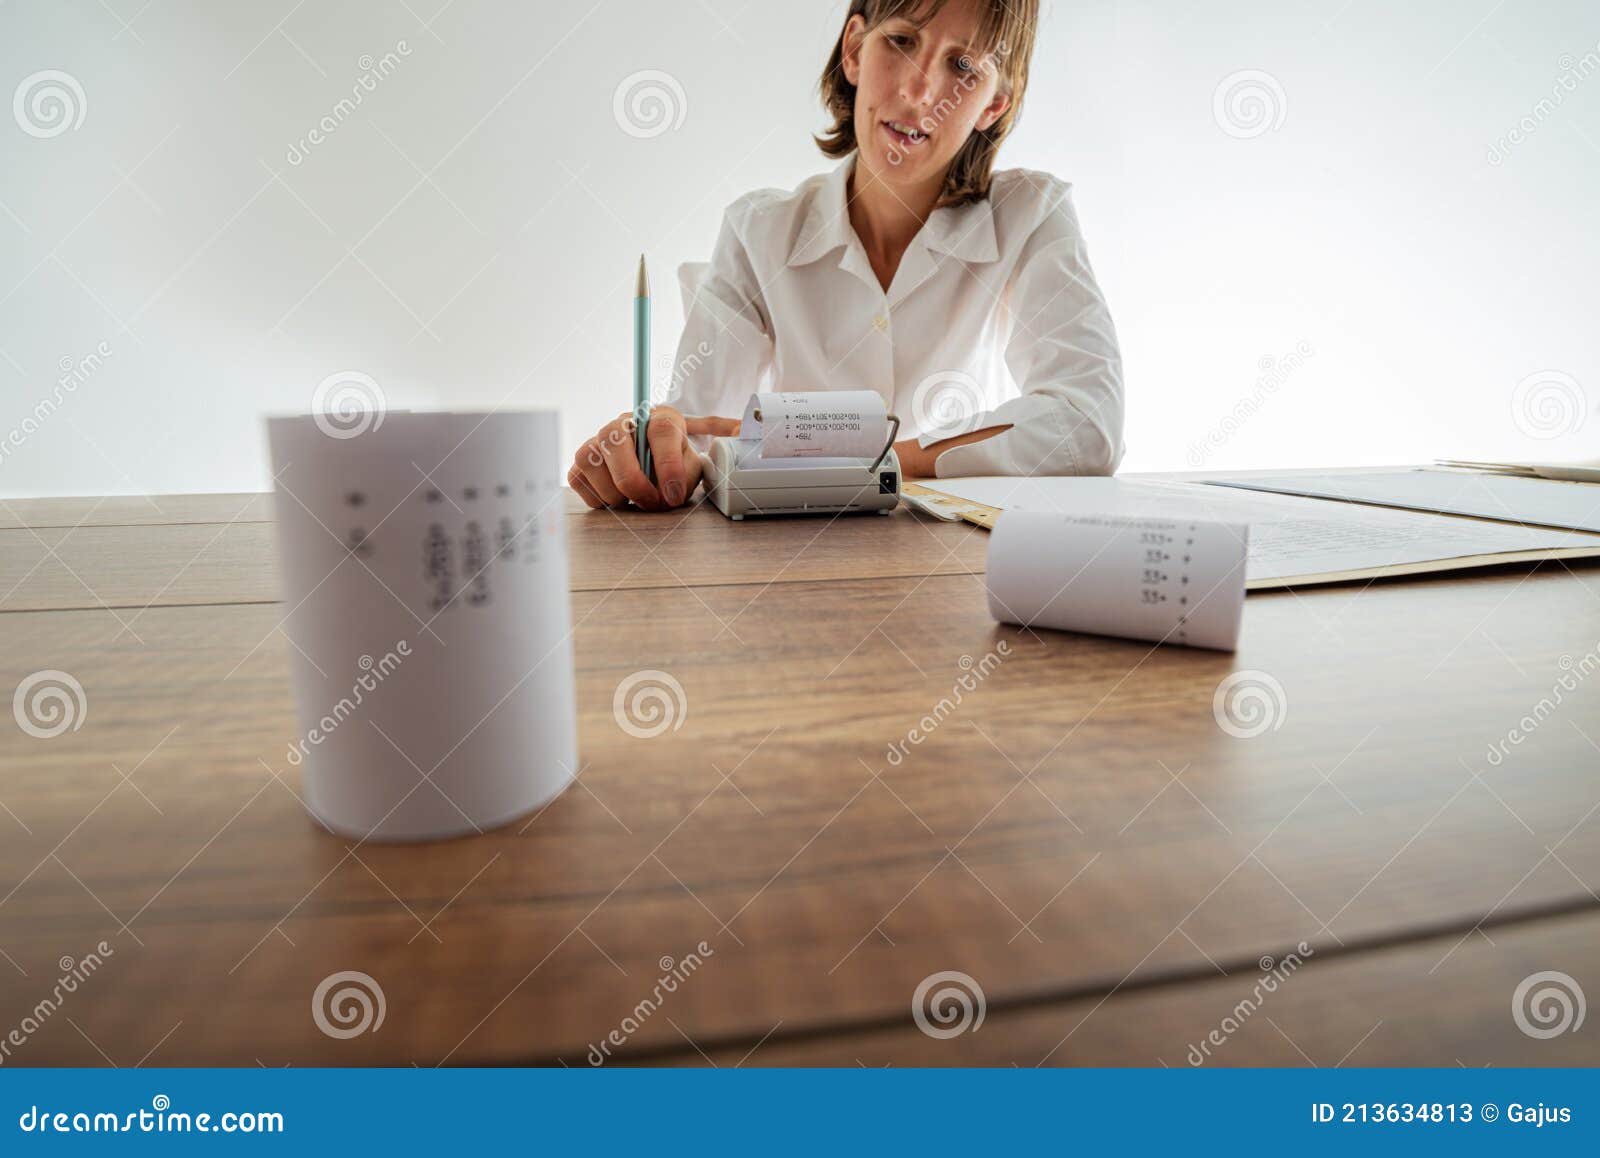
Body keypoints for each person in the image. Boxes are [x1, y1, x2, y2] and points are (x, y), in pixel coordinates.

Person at [569, 0, 1123, 512]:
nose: (920, 91)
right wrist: (658, 448)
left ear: (995, 102)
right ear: (854, 50)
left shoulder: (1032, 214)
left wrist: (878, 461)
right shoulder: (759, 231)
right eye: (902, 41)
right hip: (792, 567)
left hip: (952, 571)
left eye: (963, 67)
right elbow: (695, 439)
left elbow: (1091, 423)